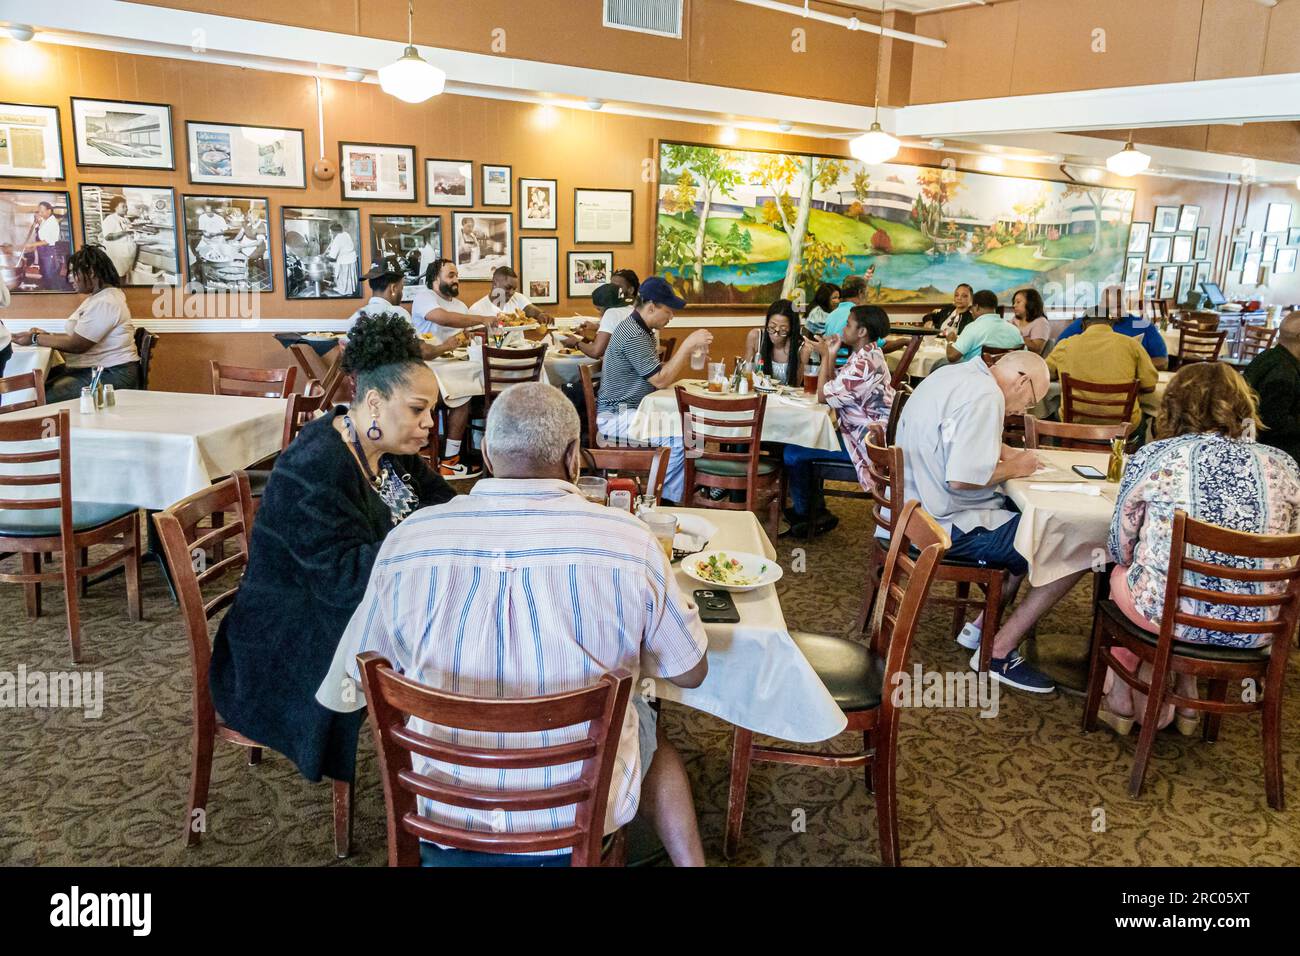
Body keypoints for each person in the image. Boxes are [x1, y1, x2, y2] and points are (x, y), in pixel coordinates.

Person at [327, 382, 709, 867]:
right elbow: (690, 673)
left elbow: (364, 670)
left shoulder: (409, 539)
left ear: (486, 453)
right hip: (576, 818)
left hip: (441, 811)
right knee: (644, 716)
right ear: (573, 458)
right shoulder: (631, 542)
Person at [209, 312, 455, 787]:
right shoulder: (315, 466)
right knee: (452, 641)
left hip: (351, 607)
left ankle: (448, 762)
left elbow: (442, 503)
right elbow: (342, 580)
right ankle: (441, 770)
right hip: (290, 637)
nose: (429, 423)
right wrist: (424, 541)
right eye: (418, 410)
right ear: (375, 403)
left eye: (432, 410)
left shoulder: (388, 449)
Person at [1098, 362, 1300, 735]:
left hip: (1170, 617)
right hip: (1259, 626)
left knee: (1122, 573)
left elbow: (1120, 546)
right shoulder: (1284, 465)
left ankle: (1122, 696)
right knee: (1182, 584)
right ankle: (1187, 694)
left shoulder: (1157, 456)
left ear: (1173, 405)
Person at [895, 350, 1079, 692]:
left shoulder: (953, 375)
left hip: (912, 513)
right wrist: (1016, 467)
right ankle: (998, 652)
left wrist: (1004, 451)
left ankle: (981, 627)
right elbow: (961, 478)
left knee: (1025, 521)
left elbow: (955, 440)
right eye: (1030, 401)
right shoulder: (986, 396)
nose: (1023, 411)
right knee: (1068, 541)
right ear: (1022, 381)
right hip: (944, 527)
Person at [596, 276, 713, 504]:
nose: (672, 317)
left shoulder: (642, 330)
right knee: (682, 437)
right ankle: (661, 501)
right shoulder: (634, 334)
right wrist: (687, 346)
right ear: (651, 307)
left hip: (631, 411)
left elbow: (655, 372)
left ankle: (679, 490)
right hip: (615, 416)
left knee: (692, 428)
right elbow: (660, 380)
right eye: (668, 311)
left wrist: (684, 355)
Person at [784, 305, 895, 537]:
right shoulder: (868, 355)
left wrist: (825, 355)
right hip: (866, 434)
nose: (843, 328)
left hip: (865, 444)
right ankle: (814, 509)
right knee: (806, 440)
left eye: (848, 324)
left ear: (862, 331)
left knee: (793, 453)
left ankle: (806, 513)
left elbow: (823, 395)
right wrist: (832, 354)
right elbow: (835, 386)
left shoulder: (864, 365)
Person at [11, 246, 140, 402]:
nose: (69, 277)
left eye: (73, 272)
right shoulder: (99, 298)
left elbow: (78, 345)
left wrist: (35, 338)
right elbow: (79, 335)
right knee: (35, 387)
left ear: (91, 272)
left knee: (34, 397)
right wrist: (46, 335)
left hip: (112, 374)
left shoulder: (106, 302)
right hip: (98, 370)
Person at [410, 259, 484, 479]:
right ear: (435, 279)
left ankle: (454, 457)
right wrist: (482, 318)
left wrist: (468, 336)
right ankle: (449, 460)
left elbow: (466, 333)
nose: (456, 280)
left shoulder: (460, 306)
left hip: (454, 368)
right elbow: (442, 318)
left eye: (457, 275)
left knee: (468, 391)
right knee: (463, 394)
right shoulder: (425, 297)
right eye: (451, 275)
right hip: (424, 374)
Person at [1046, 311, 1157, 429]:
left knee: (1054, 412)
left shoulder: (1065, 345)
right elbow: (1149, 386)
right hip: (1122, 426)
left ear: (1083, 325)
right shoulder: (1132, 344)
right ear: (1111, 324)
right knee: (1142, 421)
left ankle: (1060, 441)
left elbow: (1045, 374)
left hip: (1075, 423)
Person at [347, 258, 466, 360]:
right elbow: (424, 352)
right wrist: (447, 346)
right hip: (393, 378)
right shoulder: (397, 314)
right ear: (393, 288)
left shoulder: (355, 316)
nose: (401, 293)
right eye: (401, 288)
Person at [1055, 285, 1168, 370]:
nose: (1116, 312)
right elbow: (1058, 350)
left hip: (1132, 383)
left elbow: (1163, 361)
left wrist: (1132, 365)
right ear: (1101, 305)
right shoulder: (1086, 322)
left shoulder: (1144, 326)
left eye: (1120, 307)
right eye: (1111, 307)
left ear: (1126, 303)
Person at [1242, 311, 1300, 465]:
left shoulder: (1267, 356)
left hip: (1251, 442)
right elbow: (1273, 422)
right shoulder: (1284, 373)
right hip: (1277, 456)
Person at [557, 282, 632, 360]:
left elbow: (596, 352)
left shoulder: (611, 313)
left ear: (606, 306)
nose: (599, 313)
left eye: (599, 309)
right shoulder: (630, 309)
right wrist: (595, 329)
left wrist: (576, 343)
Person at [746, 299, 812, 387]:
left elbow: (796, 386)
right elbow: (745, 374)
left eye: (783, 330)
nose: (776, 334)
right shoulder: (756, 337)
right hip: (759, 393)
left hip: (788, 395)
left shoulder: (802, 349)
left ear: (791, 329)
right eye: (772, 327)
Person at [946, 290, 1023, 363]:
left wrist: (951, 341)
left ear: (976, 307)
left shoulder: (973, 327)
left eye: (971, 308)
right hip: (1008, 371)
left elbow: (952, 356)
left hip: (976, 372)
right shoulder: (1014, 330)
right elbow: (1023, 355)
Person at [468, 265, 551, 324]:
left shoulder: (518, 297)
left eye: (514, 289)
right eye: (508, 287)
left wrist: (540, 314)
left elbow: (529, 308)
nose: (511, 293)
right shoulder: (476, 309)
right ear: (495, 284)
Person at [100, 197, 138, 281]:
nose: (126, 208)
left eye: (126, 206)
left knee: (124, 277)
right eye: (123, 206)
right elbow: (108, 237)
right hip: (117, 255)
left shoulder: (126, 219)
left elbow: (129, 233)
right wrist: (125, 232)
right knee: (119, 278)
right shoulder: (110, 219)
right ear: (115, 207)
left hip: (125, 255)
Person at [1011, 288, 1051, 355]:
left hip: (1030, 359)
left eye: (1018, 302)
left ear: (1030, 303)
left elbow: (1037, 349)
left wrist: (1015, 335)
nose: (1014, 305)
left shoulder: (1041, 322)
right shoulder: (1014, 319)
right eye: (1014, 302)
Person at [324, 221, 358, 297]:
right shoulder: (346, 234)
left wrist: (325, 258)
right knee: (349, 280)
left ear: (334, 232)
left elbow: (332, 257)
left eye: (330, 233)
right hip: (352, 260)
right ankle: (349, 292)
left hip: (345, 262)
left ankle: (344, 293)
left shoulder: (337, 239)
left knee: (344, 279)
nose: (330, 234)